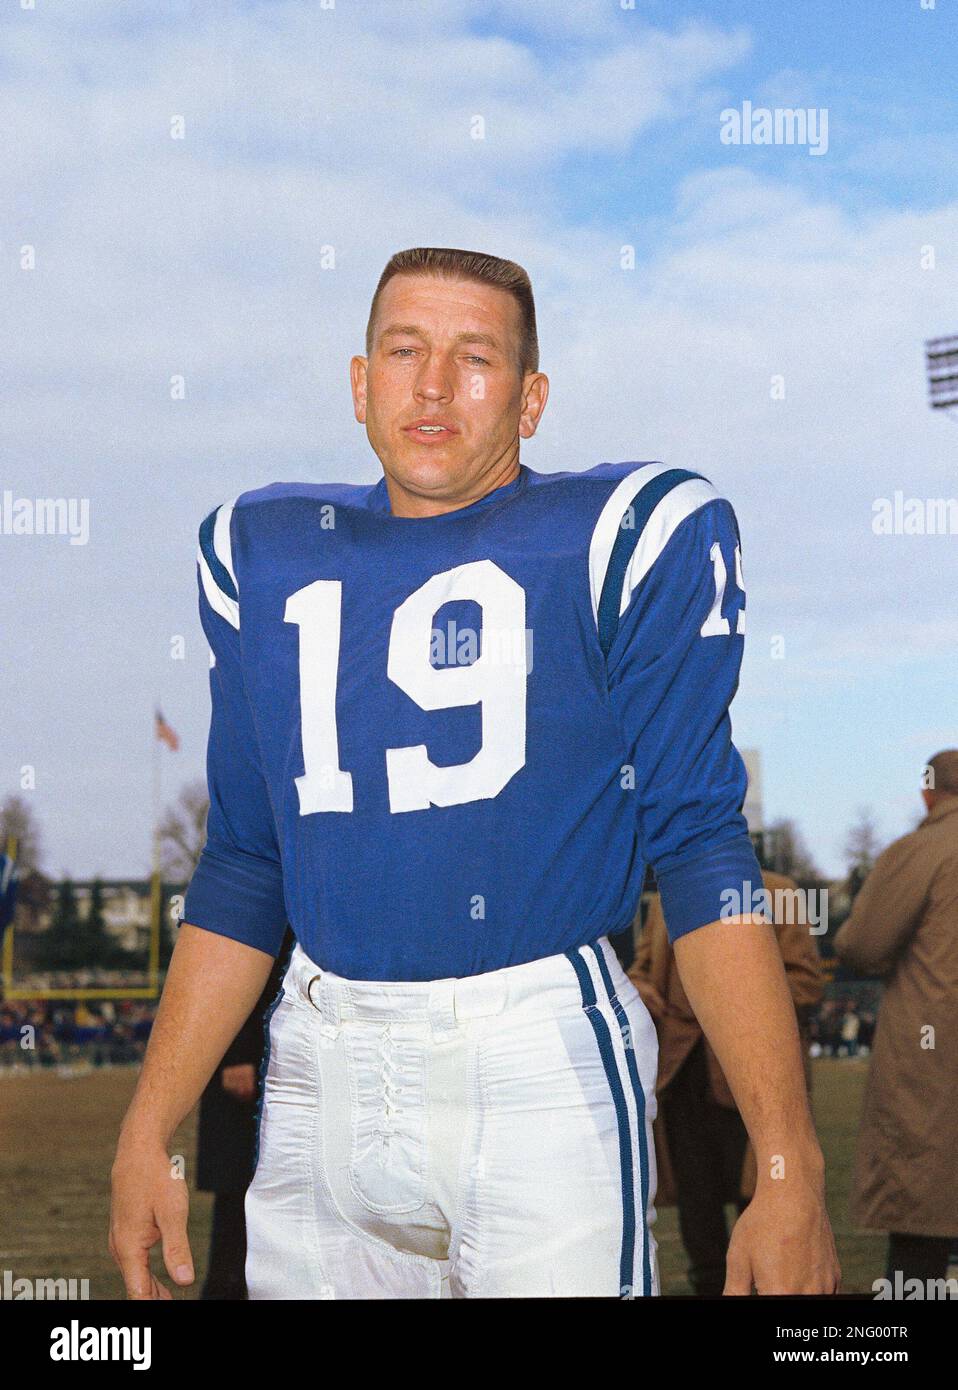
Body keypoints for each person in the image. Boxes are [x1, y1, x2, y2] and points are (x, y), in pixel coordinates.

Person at [109, 246, 839, 1299]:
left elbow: (696, 845)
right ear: (359, 382)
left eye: (477, 357)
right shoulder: (260, 552)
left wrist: (786, 1159)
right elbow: (244, 865)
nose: (435, 385)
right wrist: (149, 1125)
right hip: (318, 1055)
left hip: (535, 1052)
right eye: (404, 350)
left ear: (532, 399)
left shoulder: (621, 538)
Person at [629, 869, 824, 1295]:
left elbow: (807, 983)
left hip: (753, 1077)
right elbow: (642, 970)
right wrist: (642, 990)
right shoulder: (668, 895)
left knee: (764, 1200)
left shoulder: (779, 892)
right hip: (682, 1075)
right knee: (697, 1217)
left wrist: (737, 996)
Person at [834, 750, 958, 1287]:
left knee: (923, 1213)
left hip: (934, 1053)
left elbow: (862, 945)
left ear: (928, 792)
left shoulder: (922, 850)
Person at [195, 931, 293, 1299]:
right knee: (239, 1217)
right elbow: (225, 968)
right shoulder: (251, 881)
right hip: (249, 1076)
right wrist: (236, 1055)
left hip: (290, 1069)